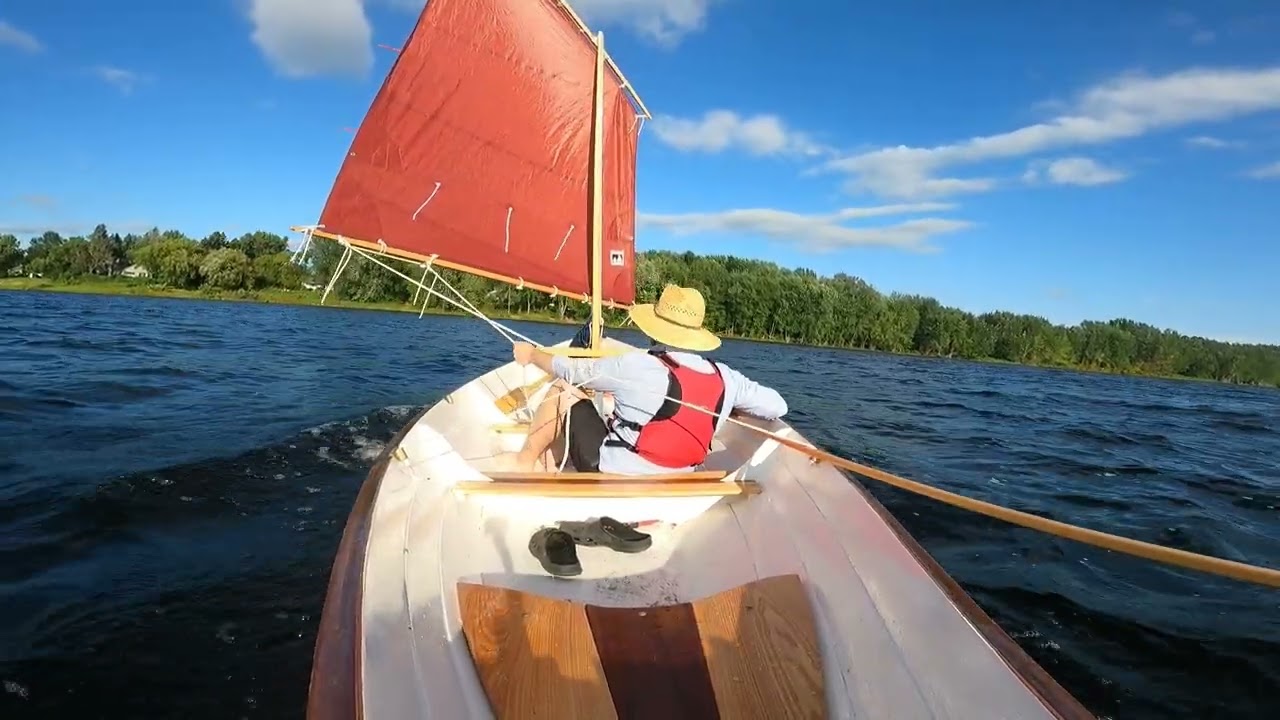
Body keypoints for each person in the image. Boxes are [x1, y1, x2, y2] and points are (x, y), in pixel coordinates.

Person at [504, 284, 788, 474]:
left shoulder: (636, 365)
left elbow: (569, 371)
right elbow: (778, 407)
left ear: (654, 327)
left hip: (617, 470)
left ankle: (522, 463)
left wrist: (532, 355)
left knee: (564, 390)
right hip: (683, 473)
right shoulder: (727, 378)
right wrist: (732, 404)